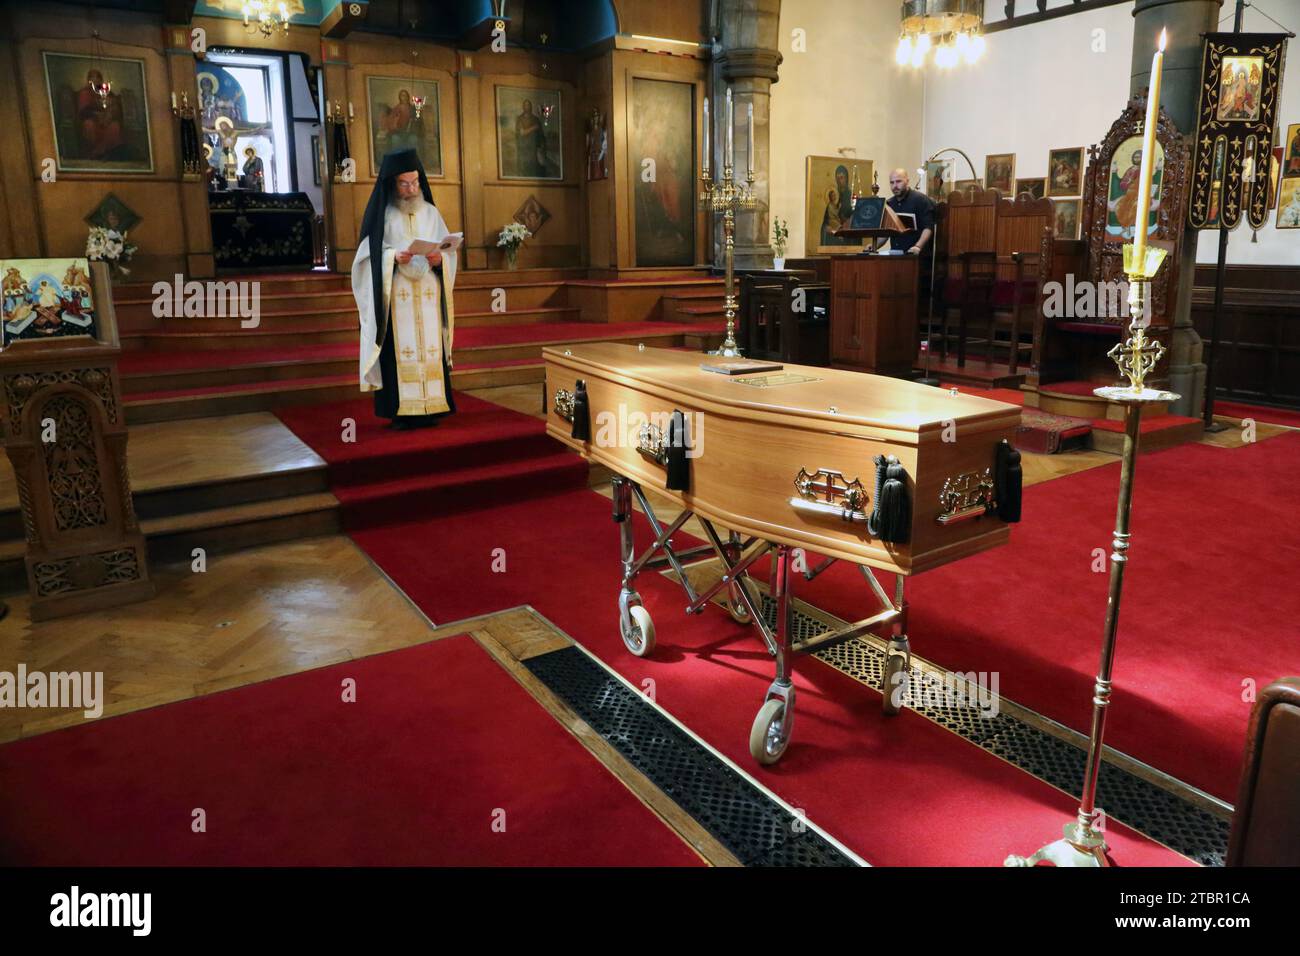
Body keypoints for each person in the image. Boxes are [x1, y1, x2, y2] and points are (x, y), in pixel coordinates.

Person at [351, 148, 458, 429]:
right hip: (396, 296)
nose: (411, 189)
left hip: (428, 295)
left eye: (415, 182)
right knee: (401, 348)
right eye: (404, 183)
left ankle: (433, 406)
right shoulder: (383, 215)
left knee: (430, 346)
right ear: (393, 184)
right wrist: (391, 258)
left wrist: (440, 260)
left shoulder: (432, 213)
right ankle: (401, 411)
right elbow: (365, 257)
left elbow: (447, 251)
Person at [886, 168, 935, 254]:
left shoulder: (921, 200)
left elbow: (928, 228)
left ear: (907, 181)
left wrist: (918, 246)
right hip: (895, 256)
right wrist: (874, 246)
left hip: (917, 257)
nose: (895, 186)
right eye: (892, 182)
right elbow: (886, 230)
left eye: (898, 181)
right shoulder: (890, 203)